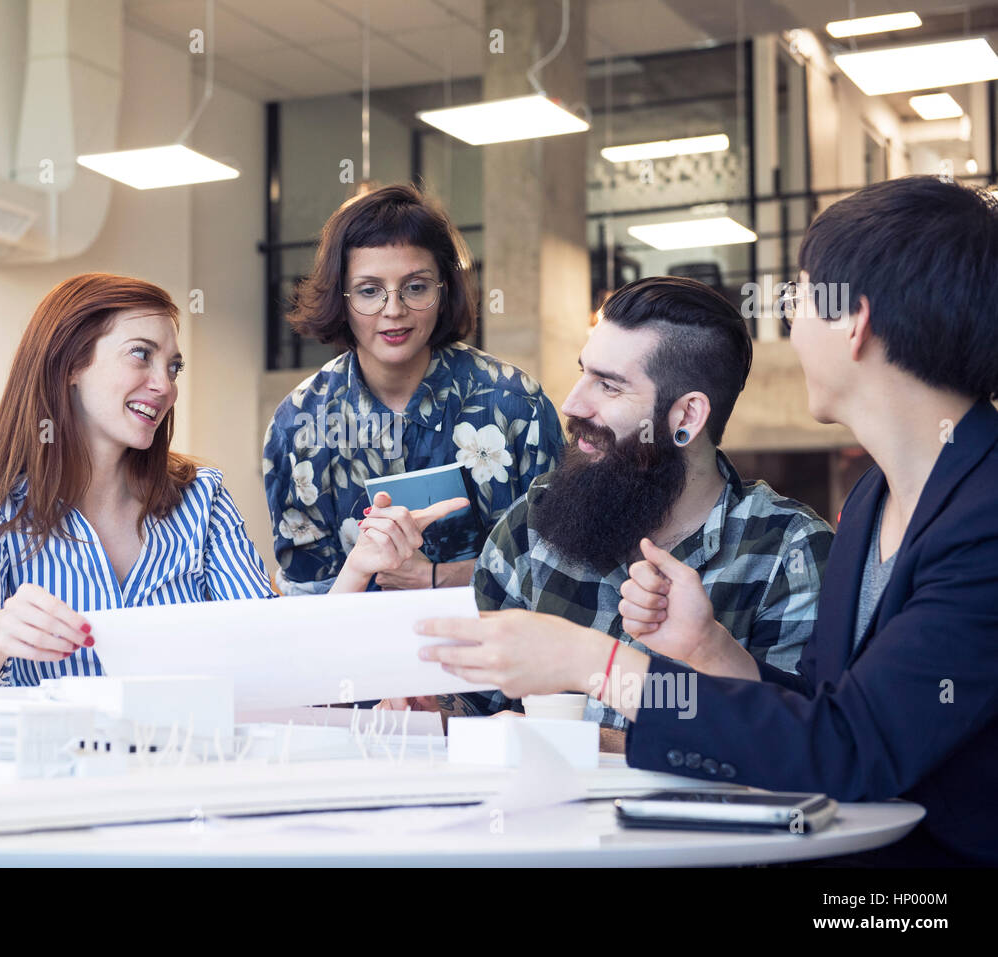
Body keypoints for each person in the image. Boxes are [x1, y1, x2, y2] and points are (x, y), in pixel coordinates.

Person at [416, 176, 998, 865]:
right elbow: (819, 711)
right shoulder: (874, 501)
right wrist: (714, 649)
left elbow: (854, 749)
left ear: (855, 321)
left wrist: (591, 662)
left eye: (797, 298)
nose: (786, 321)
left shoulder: (983, 520)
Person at [0, 273, 460, 687]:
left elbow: (275, 647)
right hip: (54, 792)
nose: (164, 385)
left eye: (174, 366)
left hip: (182, 781)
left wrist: (359, 567)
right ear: (70, 363)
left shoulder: (199, 498)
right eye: (141, 354)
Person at [447, 277, 833, 736]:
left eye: (609, 387)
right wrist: (427, 707)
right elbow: (471, 702)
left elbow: (796, 748)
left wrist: (586, 743)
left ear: (686, 417)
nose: (572, 404)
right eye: (582, 372)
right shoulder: (534, 521)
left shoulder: (787, 553)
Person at [263, 183, 565, 597]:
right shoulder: (298, 423)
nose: (394, 310)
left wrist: (439, 578)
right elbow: (307, 599)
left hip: (497, 650)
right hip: (359, 656)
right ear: (341, 296)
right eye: (369, 290)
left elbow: (565, 568)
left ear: (444, 290)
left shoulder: (517, 405)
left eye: (416, 286)